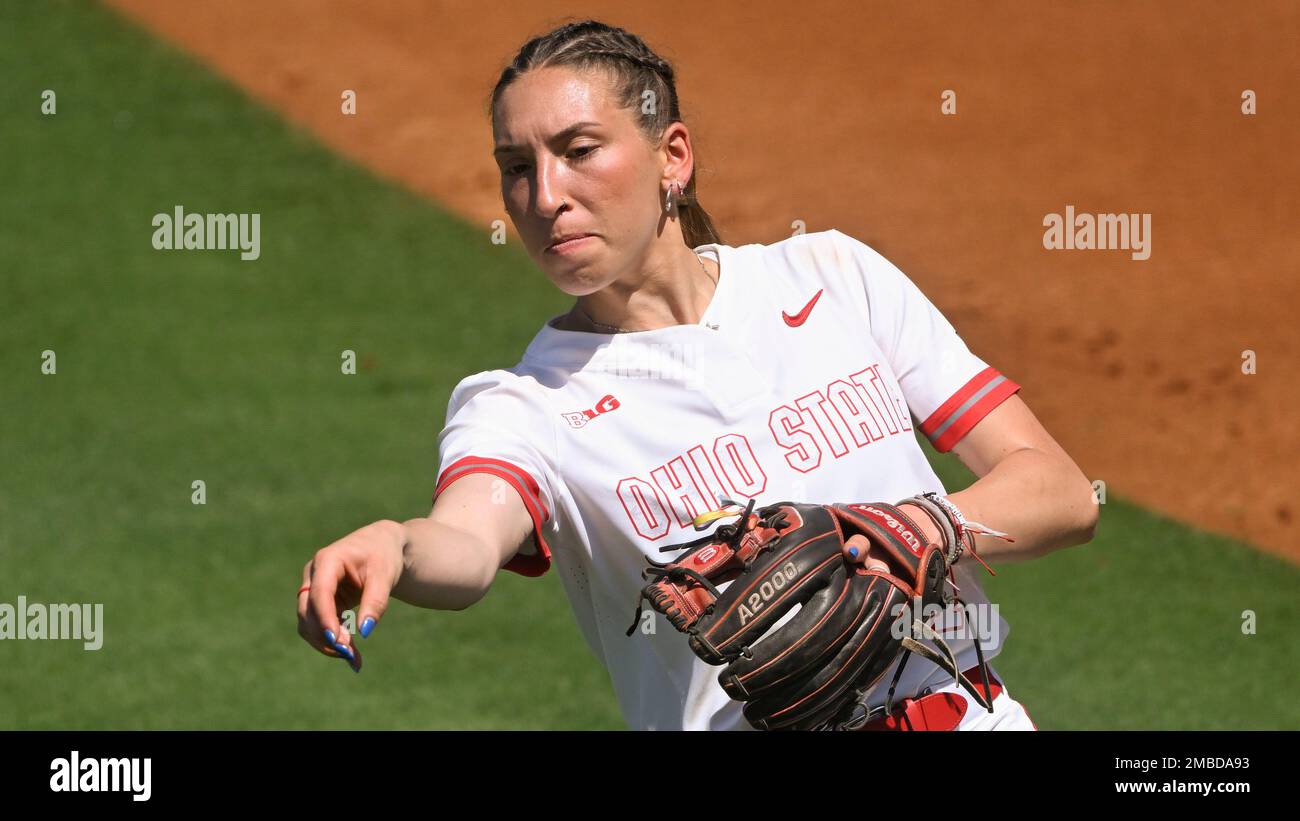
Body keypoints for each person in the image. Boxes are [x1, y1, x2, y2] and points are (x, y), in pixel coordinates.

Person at [296, 19, 1099, 731]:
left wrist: (925, 526)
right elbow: (466, 544)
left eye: (578, 152)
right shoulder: (526, 406)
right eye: (516, 166)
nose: (544, 196)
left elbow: (1059, 492)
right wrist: (396, 548)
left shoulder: (830, 276)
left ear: (671, 155)